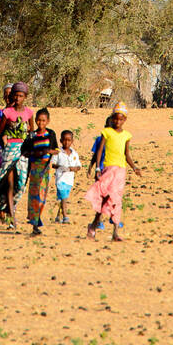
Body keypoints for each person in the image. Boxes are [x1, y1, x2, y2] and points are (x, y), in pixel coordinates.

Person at [85, 102, 142, 242]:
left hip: (120, 171)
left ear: (125, 120)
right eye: (116, 118)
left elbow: (126, 154)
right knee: (104, 198)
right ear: (112, 118)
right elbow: (99, 151)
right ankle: (93, 225)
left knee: (116, 200)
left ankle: (115, 231)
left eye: (121, 119)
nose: (118, 121)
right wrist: (97, 168)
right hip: (108, 169)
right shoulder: (106, 132)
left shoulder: (127, 136)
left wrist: (134, 167)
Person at [0, 81, 34, 229]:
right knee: (9, 184)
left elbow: (31, 133)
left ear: (25, 97)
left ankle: (7, 210)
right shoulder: (6, 113)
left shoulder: (29, 113)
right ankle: (11, 217)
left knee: (21, 184)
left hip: (23, 152)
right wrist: (6, 134)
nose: (17, 98)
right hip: (10, 149)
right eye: (15, 95)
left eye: (21, 96)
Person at [22, 108, 56, 235]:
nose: (41, 123)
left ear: (48, 121)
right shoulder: (32, 135)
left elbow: (56, 149)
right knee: (34, 196)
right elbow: (24, 151)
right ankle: (34, 223)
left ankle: (37, 219)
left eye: (43, 120)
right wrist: (35, 153)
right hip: (35, 168)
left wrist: (47, 152)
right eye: (39, 120)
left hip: (45, 169)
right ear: (35, 121)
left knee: (42, 196)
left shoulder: (51, 134)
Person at [51, 130, 82, 223]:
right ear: (61, 140)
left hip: (69, 180)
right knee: (64, 197)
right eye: (64, 140)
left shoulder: (74, 154)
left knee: (63, 198)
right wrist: (60, 166)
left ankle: (58, 216)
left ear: (72, 141)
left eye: (69, 140)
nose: (67, 142)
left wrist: (74, 168)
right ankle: (65, 216)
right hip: (60, 179)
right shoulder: (58, 152)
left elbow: (79, 166)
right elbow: (53, 164)